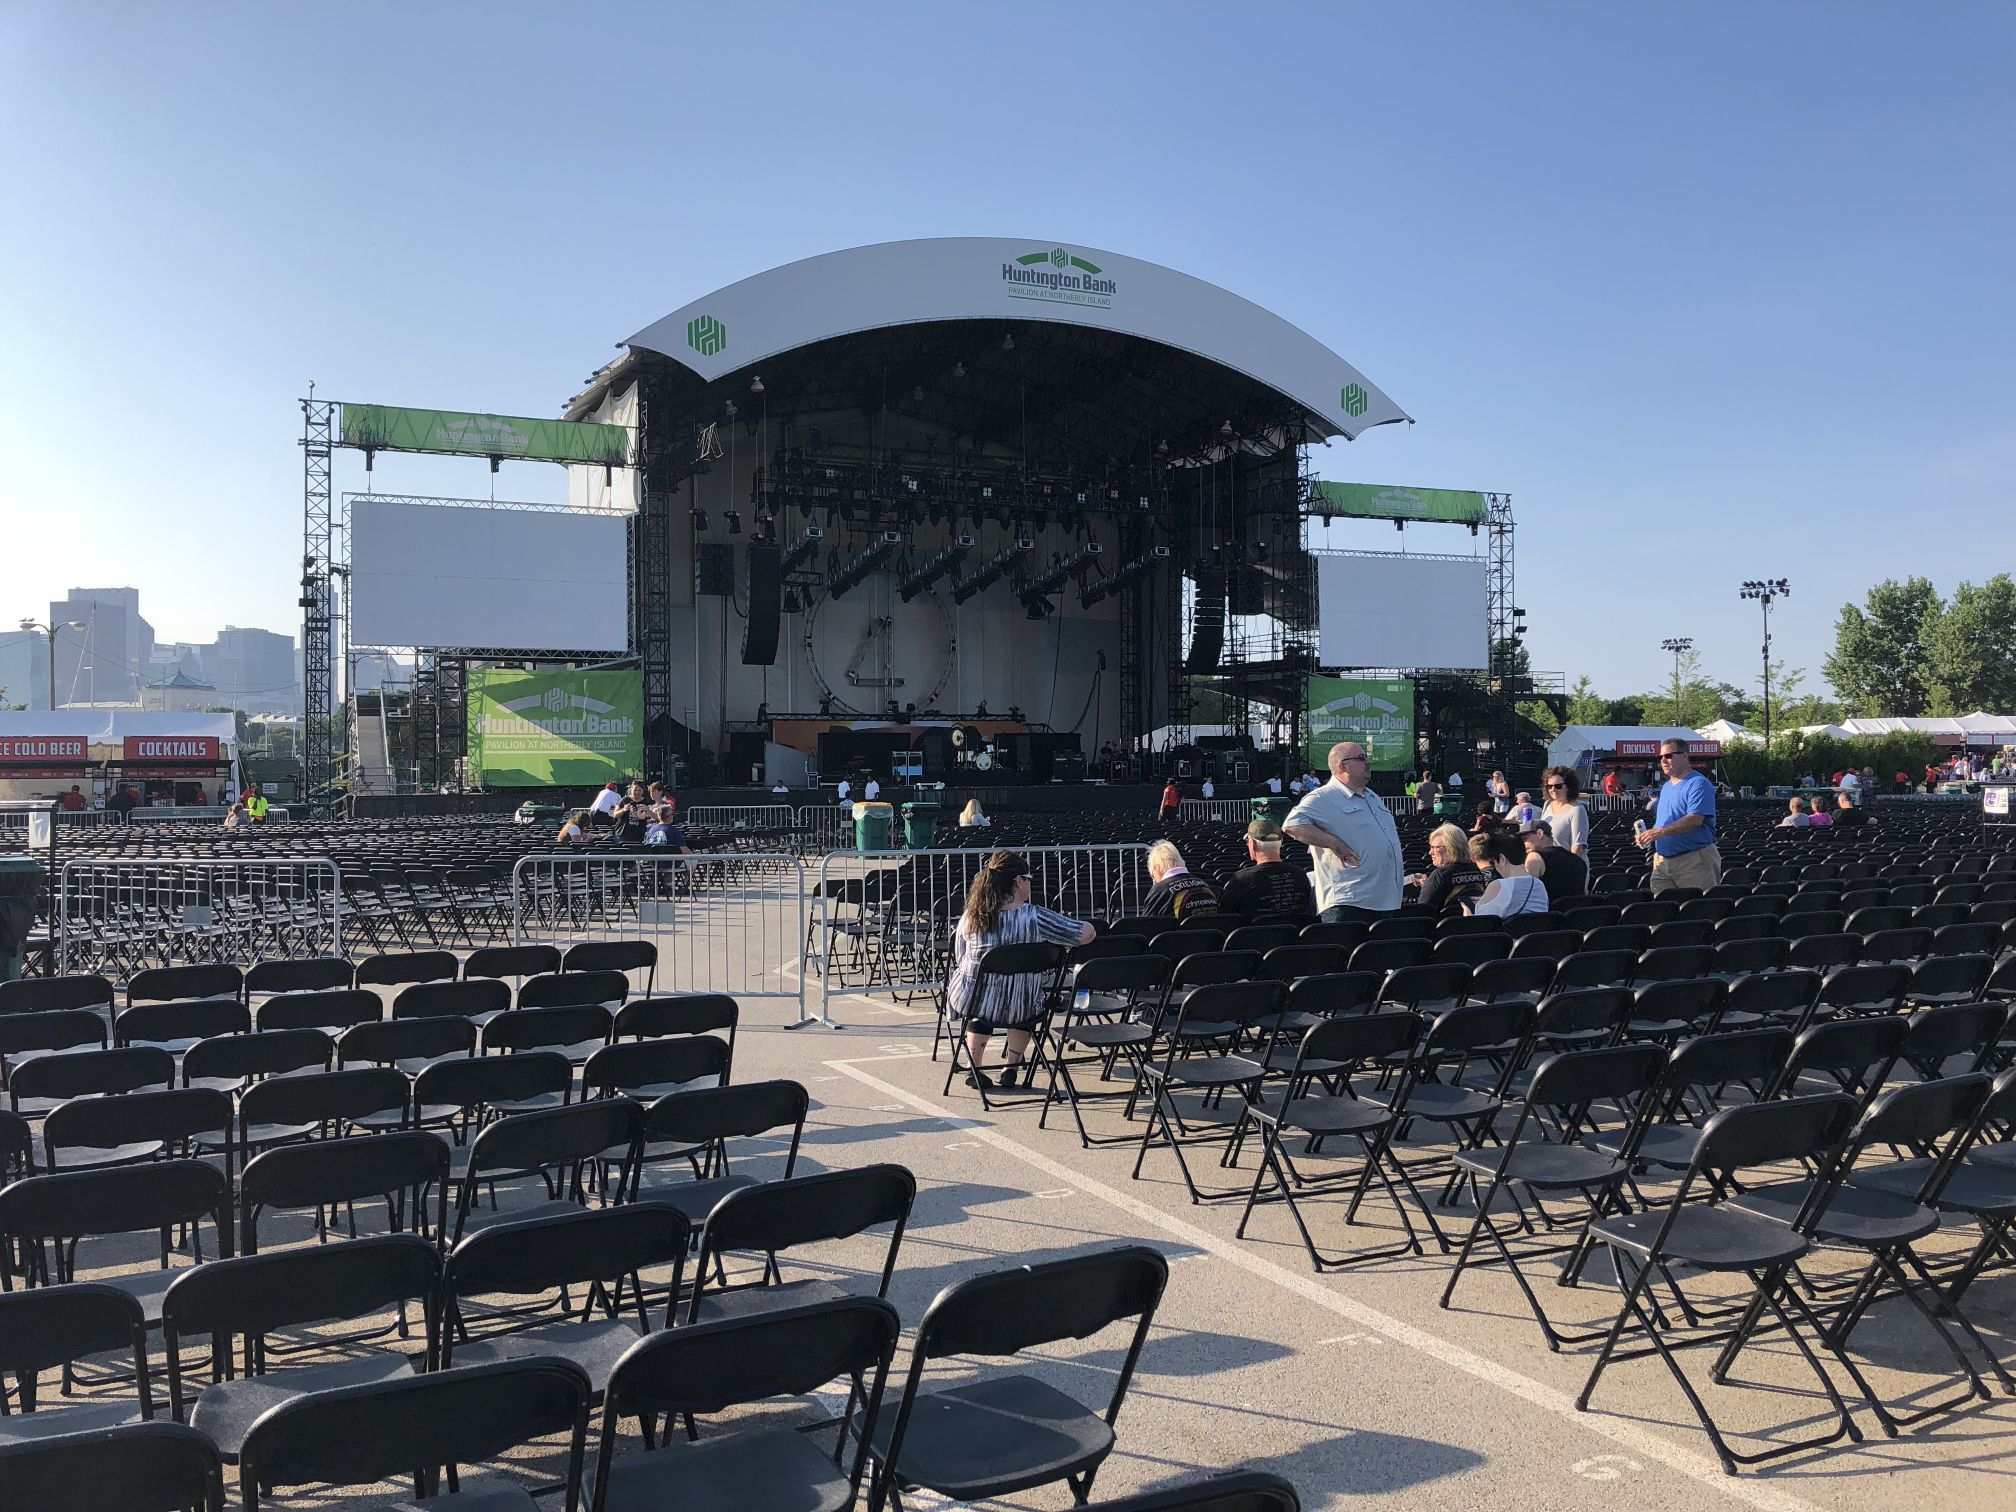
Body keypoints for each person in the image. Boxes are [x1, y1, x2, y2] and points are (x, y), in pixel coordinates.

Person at [943, 851, 1094, 1090]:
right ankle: (1011, 1066)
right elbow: (1086, 934)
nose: (1030, 883)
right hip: (1023, 1005)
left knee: (980, 996)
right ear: (1018, 881)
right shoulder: (1035, 917)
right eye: (1029, 878)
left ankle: (975, 1065)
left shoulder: (972, 916)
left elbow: (961, 958)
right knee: (1023, 996)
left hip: (974, 1001)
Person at [1282, 741, 1404, 922]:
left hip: (1384, 901)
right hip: (1349, 903)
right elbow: (1292, 825)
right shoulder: (1323, 797)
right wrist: (1334, 843)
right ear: (1342, 765)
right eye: (1361, 758)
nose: (1368, 763)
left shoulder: (1372, 796)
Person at [1636, 738, 1720, 894]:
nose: (1663, 760)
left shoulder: (1698, 783)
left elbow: (1695, 820)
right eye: (1660, 757)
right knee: (1663, 911)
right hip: (1662, 862)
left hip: (1693, 861)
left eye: (1668, 756)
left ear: (1685, 756)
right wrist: (1648, 836)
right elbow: (1663, 822)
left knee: (1697, 911)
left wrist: (1659, 832)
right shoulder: (1667, 787)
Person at [1220, 819, 1315, 920]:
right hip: (1296, 934)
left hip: (1257, 935)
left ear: (1253, 844)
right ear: (1281, 842)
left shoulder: (1241, 879)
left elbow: (1226, 914)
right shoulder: (1299, 873)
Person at [1408, 823, 1490, 914]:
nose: (1430, 852)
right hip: (1473, 925)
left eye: (1434, 847)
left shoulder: (1440, 875)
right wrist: (1428, 886)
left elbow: (1423, 910)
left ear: (1451, 848)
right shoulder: (1477, 871)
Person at [1468, 830, 1549, 917]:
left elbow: (1482, 921)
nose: (1495, 866)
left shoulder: (1499, 885)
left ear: (1502, 859)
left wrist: (1467, 913)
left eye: (1494, 862)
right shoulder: (1539, 884)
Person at [1142, 841, 1220, 920]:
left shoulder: (1159, 891)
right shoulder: (1204, 885)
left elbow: (1147, 926)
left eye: (1153, 875)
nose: (1154, 879)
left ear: (1157, 868)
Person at [1521, 819, 1588, 906]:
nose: (1523, 844)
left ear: (1540, 834)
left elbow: (1525, 893)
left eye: (1525, 839)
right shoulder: (1578, 860)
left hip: (1547, 916)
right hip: (1576, 917)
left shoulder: (1535, 856)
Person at [1539, 767, 1589, 858]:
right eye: (1549, 786)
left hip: (1570, 866)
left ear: (1568, 787)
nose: (1553, 789)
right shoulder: (1547, 804)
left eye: (1558, 786)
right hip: (1549, 864)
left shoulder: (1577, 810)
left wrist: (1566, 868)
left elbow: (1577, 847)